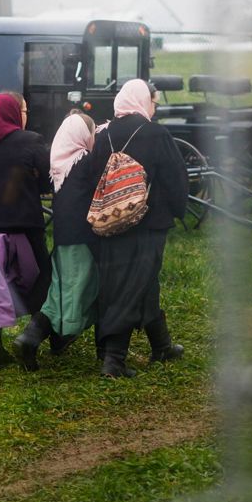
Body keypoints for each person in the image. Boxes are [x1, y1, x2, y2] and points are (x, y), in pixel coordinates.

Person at [84, 79, 188, 378]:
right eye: (153, 102)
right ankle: (113, 360)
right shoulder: (156, 133)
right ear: (144, 101)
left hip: (111, 223)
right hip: (148, 225)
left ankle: (162, 346)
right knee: (131, 287)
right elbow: (176, 178)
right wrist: (176, 211)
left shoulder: (104, 134)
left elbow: (93, 176)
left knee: (136, 282)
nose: (154, 108)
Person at [0, 91, 52, 369]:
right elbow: (46, 179)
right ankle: (33, 339)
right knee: (43, 278)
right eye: (24, 109)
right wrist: (35, 181)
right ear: (15, 113)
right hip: (25, 225)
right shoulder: (32, 140)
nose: (26, 115)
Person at [14, 111, 99, 371]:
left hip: (62, 239)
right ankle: (34, 338)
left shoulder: (60, 165)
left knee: (59, 292)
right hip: (81, 240)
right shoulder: (86, 162)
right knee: (80, 291)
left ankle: (44, 338)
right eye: (91, 132)